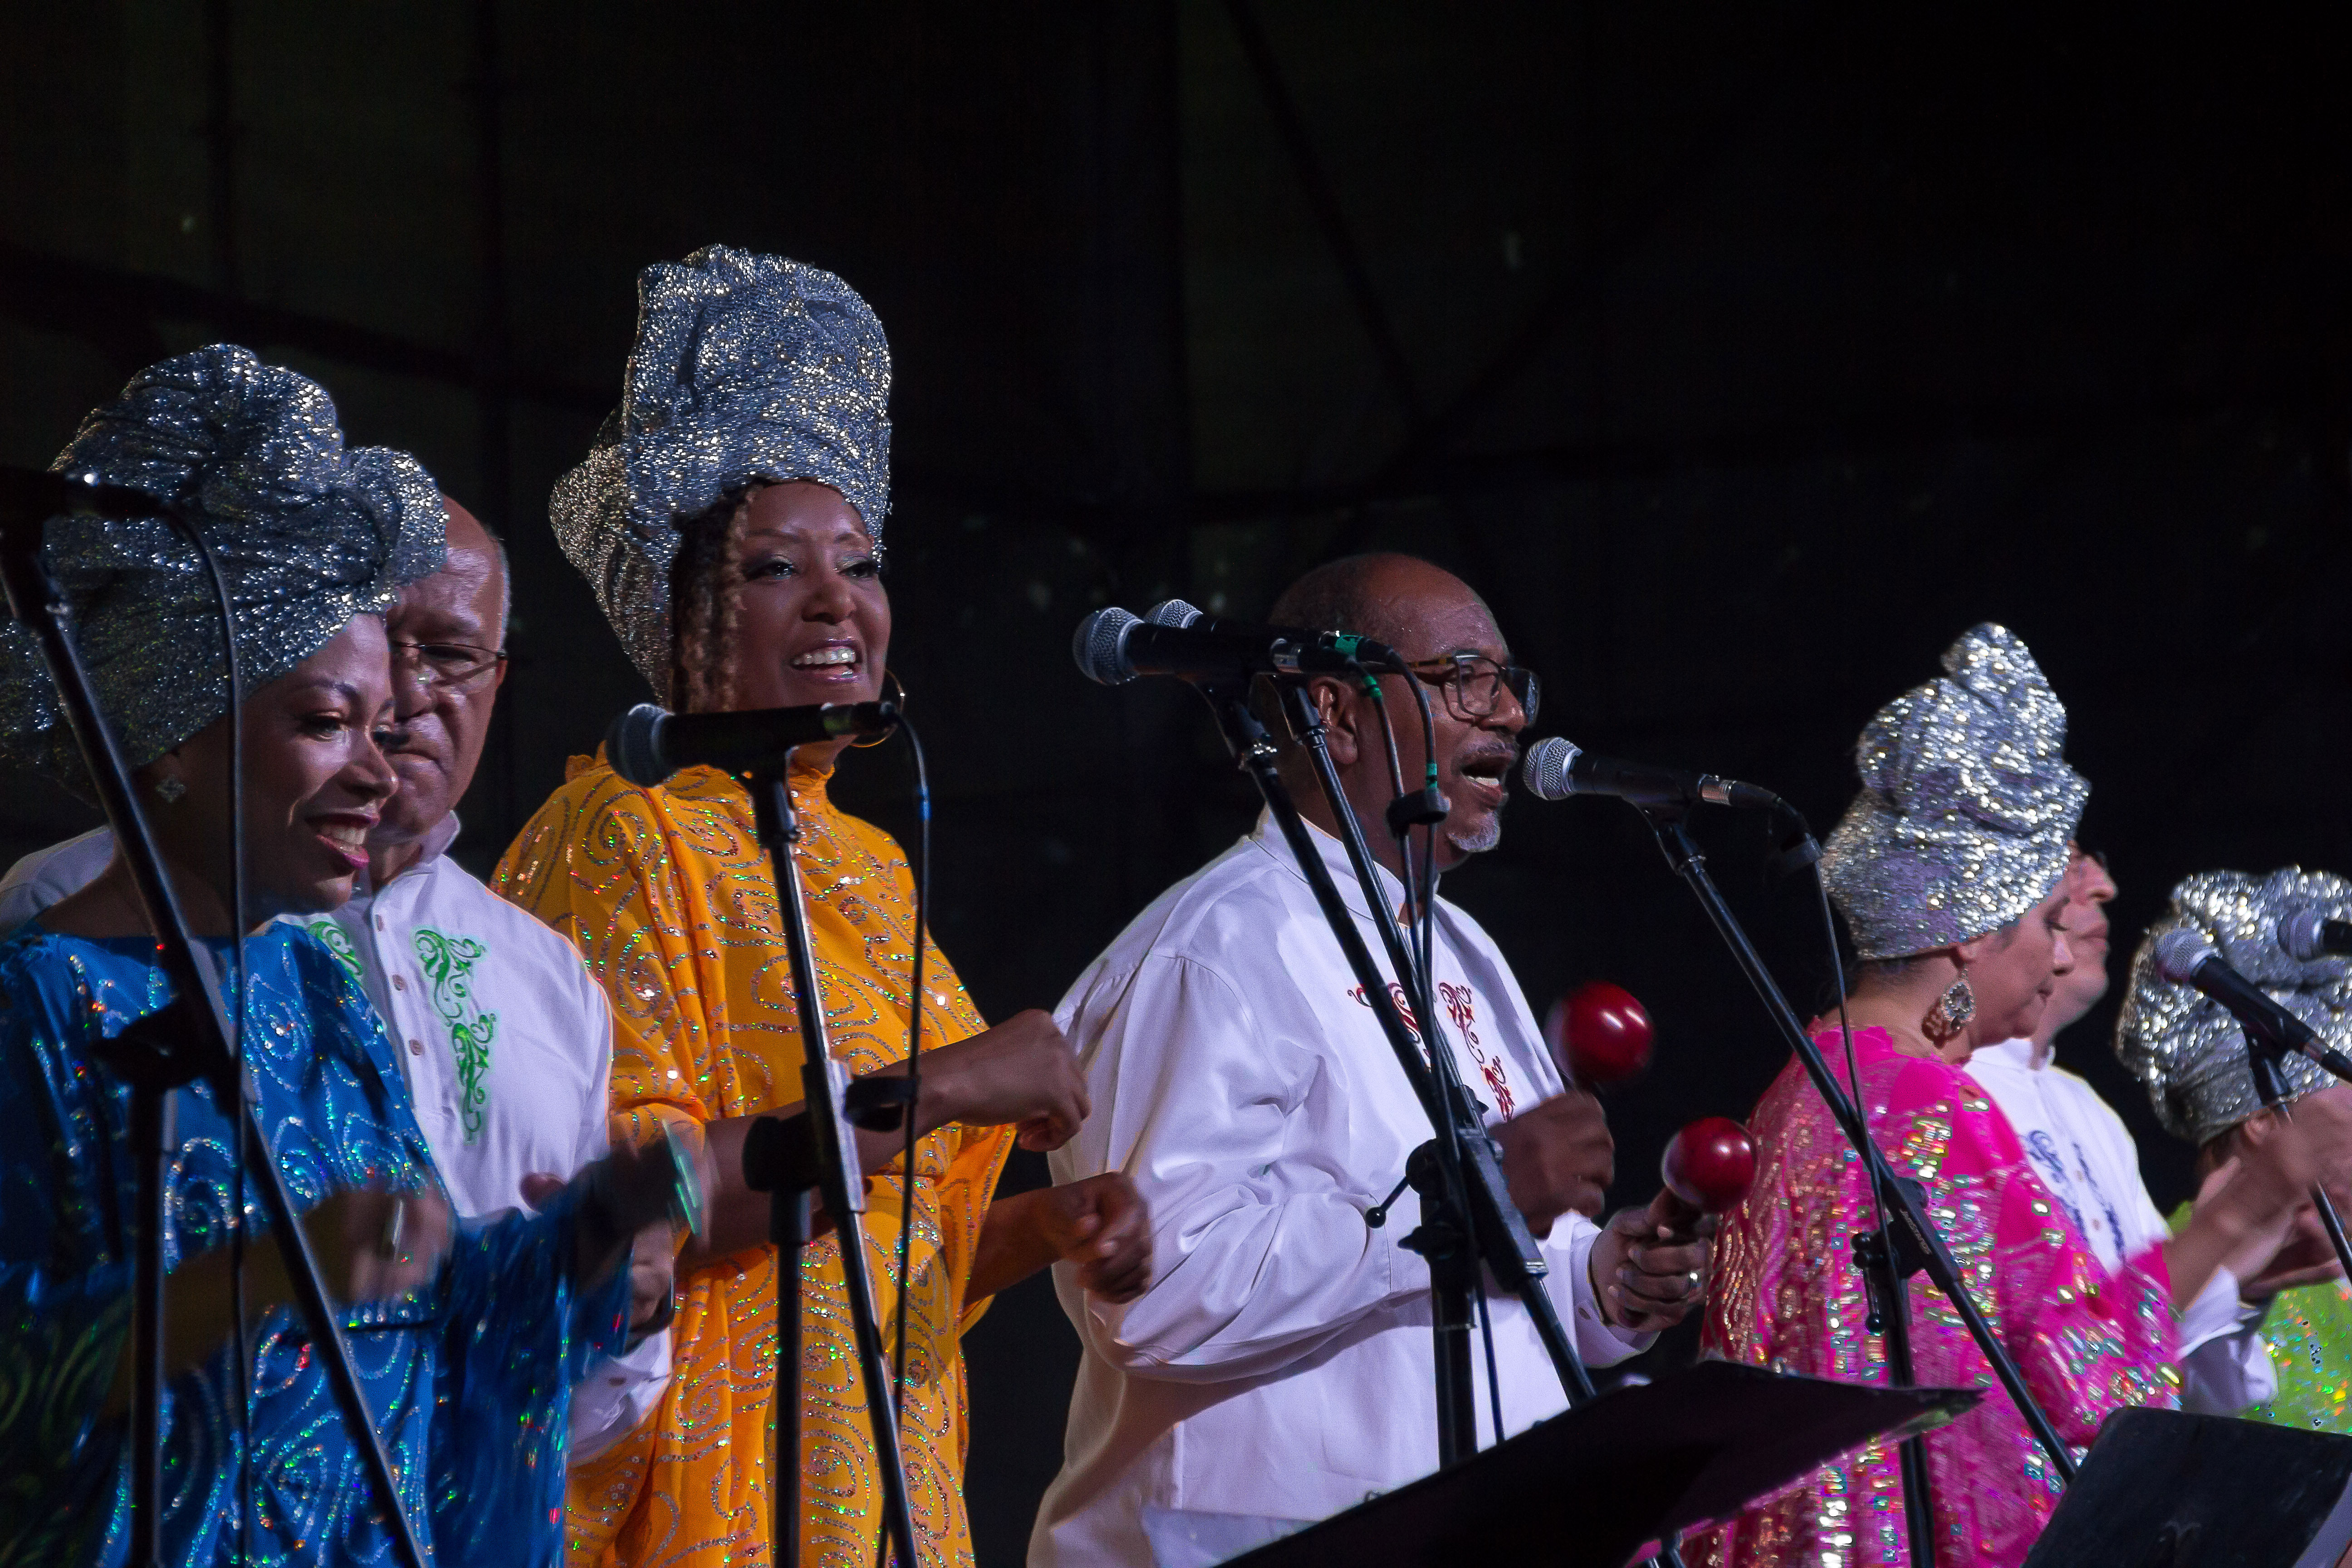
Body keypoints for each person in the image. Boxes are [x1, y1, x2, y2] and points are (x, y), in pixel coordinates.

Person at [496, 246, 1153, 1568]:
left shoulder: (865, 868)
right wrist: (951, 1085)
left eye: (861, 562)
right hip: (708, 1508)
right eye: (774, 571)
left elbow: (887, 1252)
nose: (839, 600)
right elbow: (638, 1218)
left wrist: (1041, 1228)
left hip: (890, 1507)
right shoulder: (619, 839)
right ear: (676, 615)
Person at [0, 345, 682, 1567]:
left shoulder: (319, 989)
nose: (379, 769)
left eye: (381, 726)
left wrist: (582, 1238)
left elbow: (437, 1332)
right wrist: (271, 1270)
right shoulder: (37, 1006)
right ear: (170, 732)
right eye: (324, 724)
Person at [1029, 553, 1717, 1568]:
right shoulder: (1214, 951)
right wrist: (1454, 1214)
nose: (1510, 717)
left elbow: (1508, 1266)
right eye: (1463, 680)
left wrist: (1608, 1282)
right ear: (1335, 714)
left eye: (1509, 683)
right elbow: (1150, 1295)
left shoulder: (1467, 953)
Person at [1692, 624, 2313, 1568]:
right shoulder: (1933, 1109)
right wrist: (2245, 1215)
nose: (2060, 954)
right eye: (2042, 922)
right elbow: (2084, 1385)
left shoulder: (1807, 1086)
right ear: (1971, 933)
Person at [1962, 849, 2256, 1372]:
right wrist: (2246, 1210)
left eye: (2097, 860)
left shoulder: (2088, 1110)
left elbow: (2182, 1364)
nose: (2103, 885)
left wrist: (2261, 1254)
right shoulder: (1944, 1093)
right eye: (2068, 860)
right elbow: (2051, 1362)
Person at [2114, 867, 2352, 1428]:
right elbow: (2199, 1393)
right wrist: (2244, 1284)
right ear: (2267, 1127)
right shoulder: (2176, 1264)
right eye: (2340, 1117)